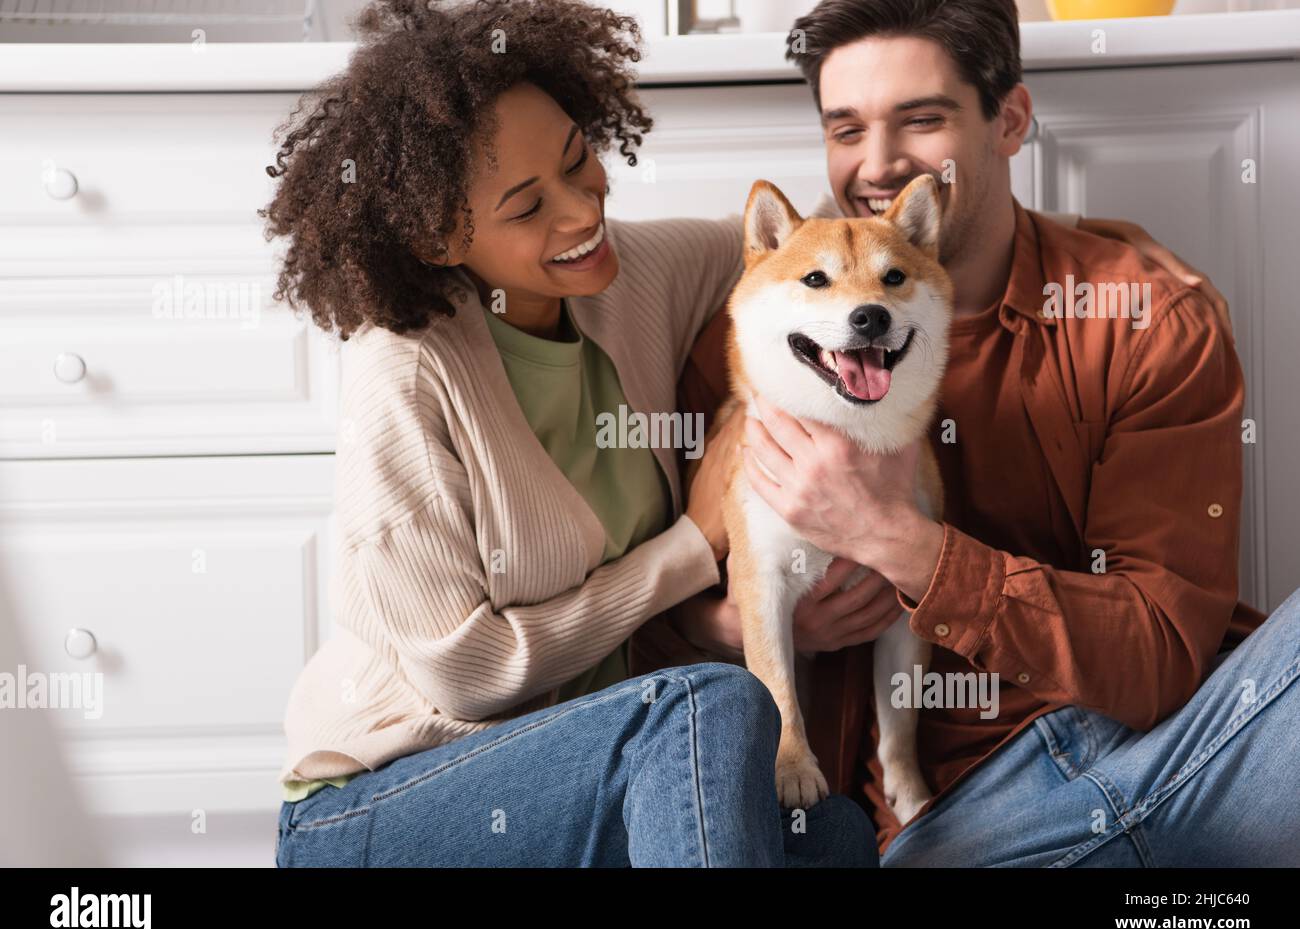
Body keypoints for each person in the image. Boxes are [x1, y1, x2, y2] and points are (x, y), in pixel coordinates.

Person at [684, 0, 1299, 865]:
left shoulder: (1143, 320)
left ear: (1009, 120)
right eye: (845, 127)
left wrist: (898, 541)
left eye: (921, 119)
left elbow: (1162, 652)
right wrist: (739, 621)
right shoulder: (763, 338)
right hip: (947, 821)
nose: (878, 163)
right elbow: (665, 611)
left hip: (1165, 755)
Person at [263, 0, 876, 867]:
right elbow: (465, 675)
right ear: (444, 237)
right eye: (527, 208)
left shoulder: (635, 273)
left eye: (577, 159)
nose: (582, 211)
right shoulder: (402, 372)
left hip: (588, 779)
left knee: (832, 836)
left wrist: (1042, 239)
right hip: (384, 803)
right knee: (711, 711)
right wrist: (695, 545)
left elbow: (805, 262)